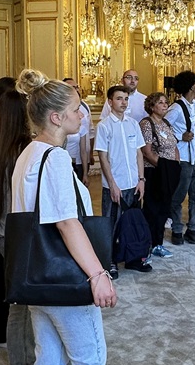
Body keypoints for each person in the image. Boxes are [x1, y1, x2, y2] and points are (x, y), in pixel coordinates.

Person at [8, 69, 133, 365]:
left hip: (36, 278)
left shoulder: (26, 155)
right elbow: (66, 223)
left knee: (50, 361)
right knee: (90, 358)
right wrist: (98, 274)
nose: (84, 115)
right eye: (77, 110)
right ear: (56, 118)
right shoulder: (56, 159)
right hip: (64, 278)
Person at [0, 88, 36, 365]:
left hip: (2, 232)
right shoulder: (23, 148)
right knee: (22, 305)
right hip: (19, 233)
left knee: (18, 301)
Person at [95, 84, 151, 275]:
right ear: (110, 102)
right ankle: (109, 261)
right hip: (114, 184)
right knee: (112, 225)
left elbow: (139, 154)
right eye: (119, 98)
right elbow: (102, 157)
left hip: (133, 183)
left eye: (126, 99)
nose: (123, 102)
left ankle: (133, 258)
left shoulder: (133, 124)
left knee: (133, 222)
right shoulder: (103, 126)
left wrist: (141, 179)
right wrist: (112, 184)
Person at [166, 70, 195, 246]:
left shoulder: (194, 106)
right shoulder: (176, 108)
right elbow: (163, 130)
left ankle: (192, 229)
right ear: (191, 86)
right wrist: (179, 137)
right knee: (178, 196)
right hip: (182, 158)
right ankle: (176, 230)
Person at [138, 91, 179, 260]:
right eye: (161, 102)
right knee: (152, 209)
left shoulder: (166, 123)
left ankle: (158, 244)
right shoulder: (147, 124)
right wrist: (163, 167)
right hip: (155, 171)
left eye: (166, 102)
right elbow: (146, 151)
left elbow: (174, 145)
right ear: (152, 106)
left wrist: (175, 164)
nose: (165, 105)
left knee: (164, 209)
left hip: (169, 170)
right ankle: (146, 245)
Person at [62, 77, 92, 181]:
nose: (80, 115)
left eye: (76, 87)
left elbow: (90, 130)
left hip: (82, 159)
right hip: (66, 161)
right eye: (71, 87)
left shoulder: (85, 106)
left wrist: (90, 153)